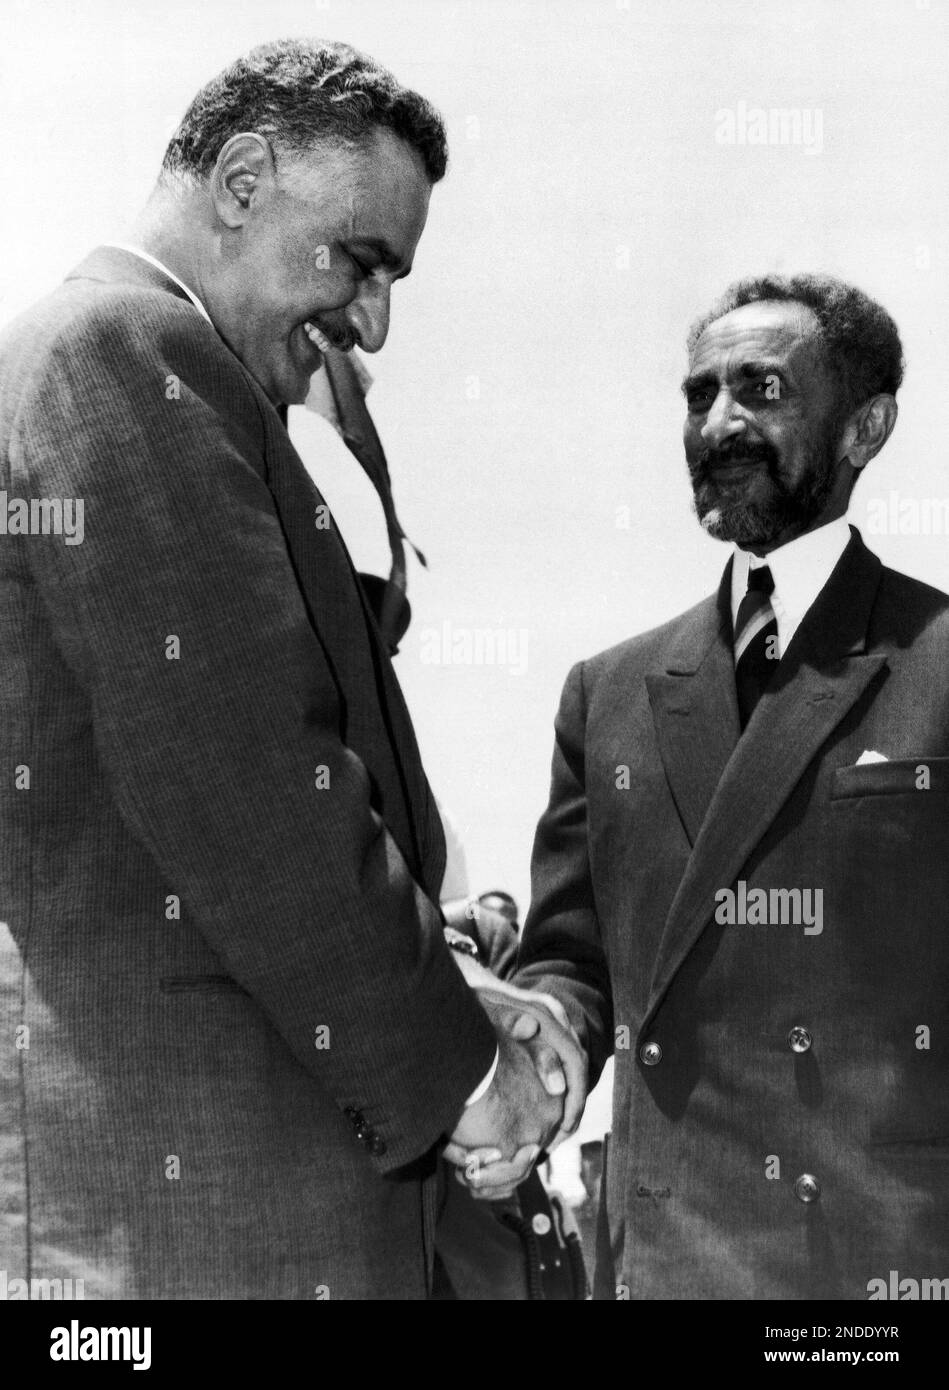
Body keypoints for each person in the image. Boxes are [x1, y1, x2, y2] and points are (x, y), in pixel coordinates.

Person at [0, 38, 581, 1300]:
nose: (374, 319)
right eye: (360, 261)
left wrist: (455, 982)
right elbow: (251, 790)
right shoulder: (119, 352)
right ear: (243, 179)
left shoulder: (168, 379)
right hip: (206, 1228)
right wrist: (466, 1074)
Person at [454, 273, 949, 1300]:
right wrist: (530, 1073)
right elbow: (573, 959)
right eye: (698, 394)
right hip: (665, 1254)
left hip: (873, 1261)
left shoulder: (937, 659)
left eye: (761, 389)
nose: (719, 421)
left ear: (866, 426)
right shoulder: (611, 692)